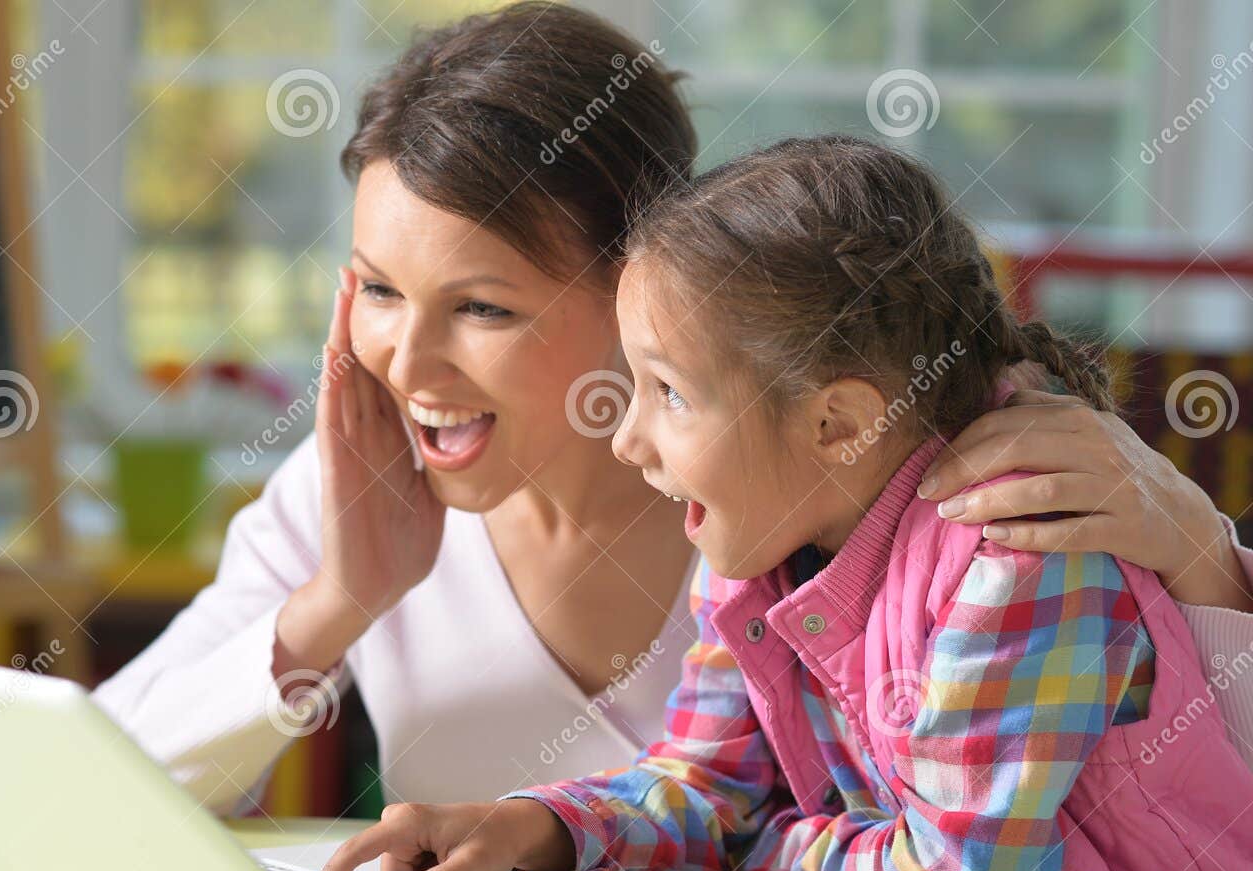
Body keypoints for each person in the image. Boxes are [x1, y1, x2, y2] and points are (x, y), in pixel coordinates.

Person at [95, 3, 1253, 821]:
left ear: (640, 288)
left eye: (484, 308)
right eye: (381, 292)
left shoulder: (829, 487)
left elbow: (1165, 805)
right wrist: (335, 605)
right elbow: (97, 790)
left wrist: (1202, 557)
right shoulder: (351, 488)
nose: (408, 362)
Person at [305, 135, 1253, 871]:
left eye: (668, 392)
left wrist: (777, 850)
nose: (628, 439)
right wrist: (534, 829)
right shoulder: (757, 542)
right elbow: (708, 790)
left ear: (835, 422)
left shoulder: (1011, 553)